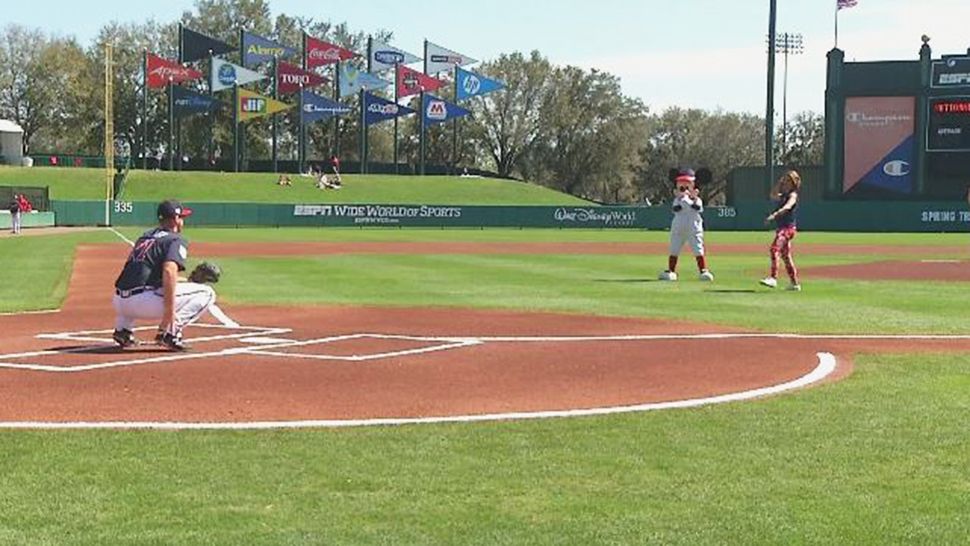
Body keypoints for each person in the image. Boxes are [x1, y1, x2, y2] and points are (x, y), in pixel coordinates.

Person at [111, 200, 216, 351]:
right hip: (143, 304)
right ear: (175, 219)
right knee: (207, 293)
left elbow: (145, 274)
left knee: (150, 286)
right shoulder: (175, 239)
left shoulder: (145, 237)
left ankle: (123, 330)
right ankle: (170, 333)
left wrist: (188, 281)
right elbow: (168, 271)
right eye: (181, 218)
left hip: (120, 303)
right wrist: (169, 312)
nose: (182, 222)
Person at [659, 168, 714, 282]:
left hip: (693, 227)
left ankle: (703, 270)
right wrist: (682, 199)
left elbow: (697, 208)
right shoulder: (677, 200)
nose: (684, 189)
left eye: (687, 187)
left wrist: (690, 200)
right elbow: (676, 209)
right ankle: (671, 270)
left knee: (698, 248)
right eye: (681, 187)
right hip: (678, 226)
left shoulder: (697, 200)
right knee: (674, 248)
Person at [760, 170, 802, 291]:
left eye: (788, 180)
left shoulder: (792, 195)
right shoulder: (783, 194)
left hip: (788, 229)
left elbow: (788, 206)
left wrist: (775, 215)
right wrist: (779, 183)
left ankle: (773, 278)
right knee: (786, 256)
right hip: (782, 228)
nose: (786, 182)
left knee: (774, 249)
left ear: (793, 182)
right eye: (785, 180)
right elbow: (772, 195)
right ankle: (794, 284)